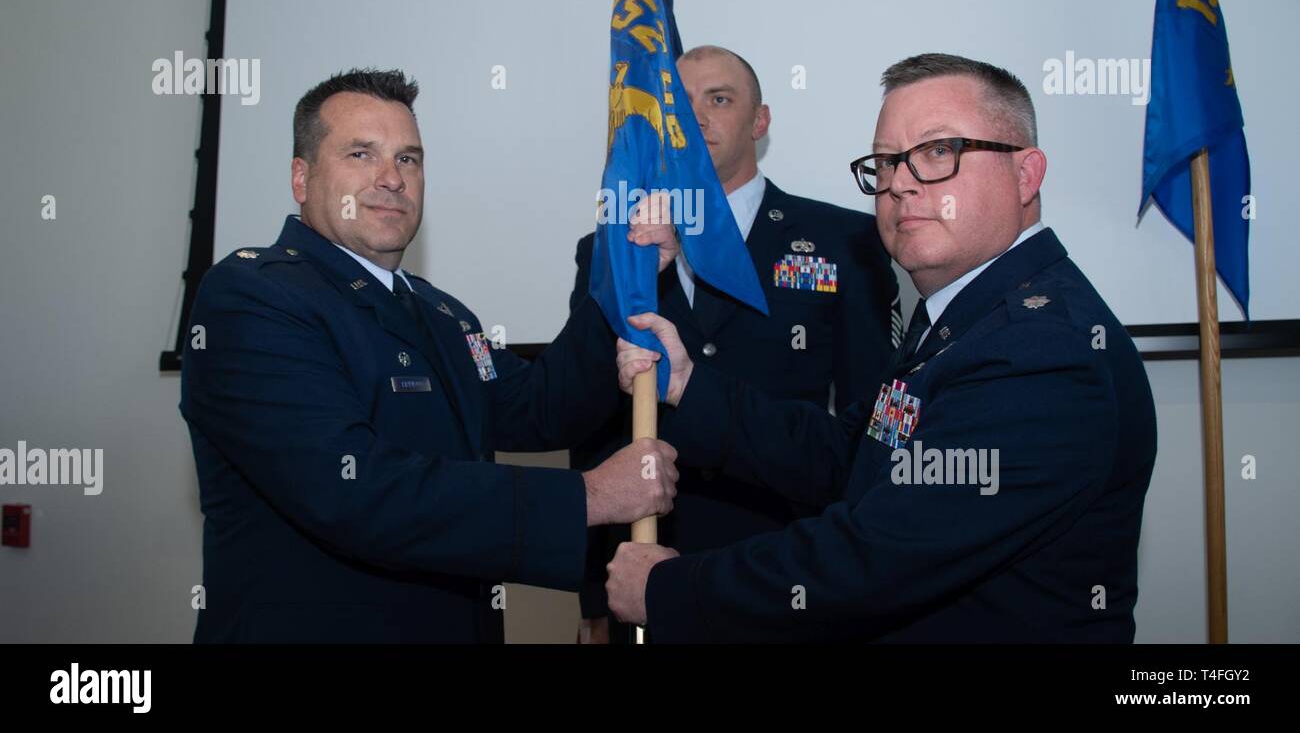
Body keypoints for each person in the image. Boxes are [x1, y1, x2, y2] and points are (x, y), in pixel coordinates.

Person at [606, 53, 1158, 642]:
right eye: (887, 161)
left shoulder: (1042, 351)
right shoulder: (966, 314)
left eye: (938, 152)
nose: (898, 183)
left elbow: (876, 555)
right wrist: (689, 384)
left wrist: (672, 589)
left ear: (1026, 174)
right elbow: (856, 462)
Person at [180, 68, 678, 643]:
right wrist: (589, 497)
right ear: (302, 176)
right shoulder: (252, 297)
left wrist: (624, 272)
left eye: (409, 159)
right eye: (361, 154)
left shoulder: (440, 313)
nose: (391, 178)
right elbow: (354, 489)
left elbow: (541, 406)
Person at [570, 45, 900, 643]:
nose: (695, 117)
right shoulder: (616, 250)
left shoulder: (844, 241)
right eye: (679, 104)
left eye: (719, 99)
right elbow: (592, 427)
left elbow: (867, 432)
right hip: (649, 575)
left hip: (790, 576)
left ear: (760, 120)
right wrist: (593, 590)